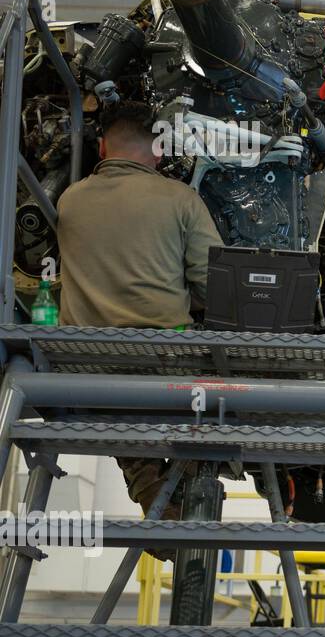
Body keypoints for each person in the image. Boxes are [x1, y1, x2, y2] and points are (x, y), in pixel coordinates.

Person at [56, 100, 223, 526]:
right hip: (159, 362)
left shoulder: (70, 201)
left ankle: (151, 486)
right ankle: (163, 491)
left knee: (118, 400)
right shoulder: (180, 198)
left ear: (102, 148)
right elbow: (214, 286)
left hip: (81, 368)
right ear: (161, 151)